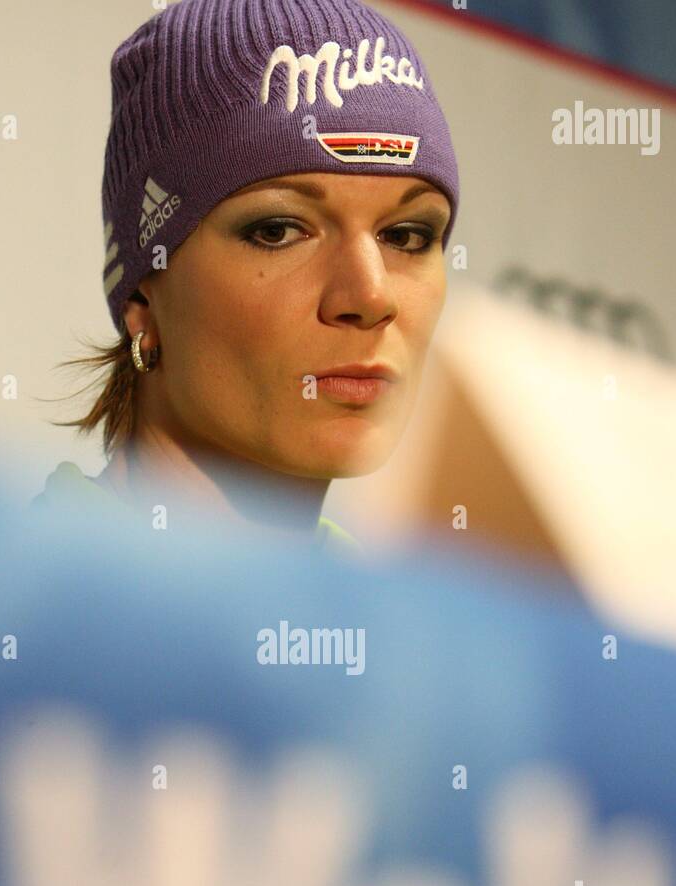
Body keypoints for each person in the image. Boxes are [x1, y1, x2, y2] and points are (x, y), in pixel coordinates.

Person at [40, 0, 460, 551]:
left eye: (406, 235)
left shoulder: (405, 623)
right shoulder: (4, 614)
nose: (371, 294)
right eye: (279, 231)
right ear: (142, 296)